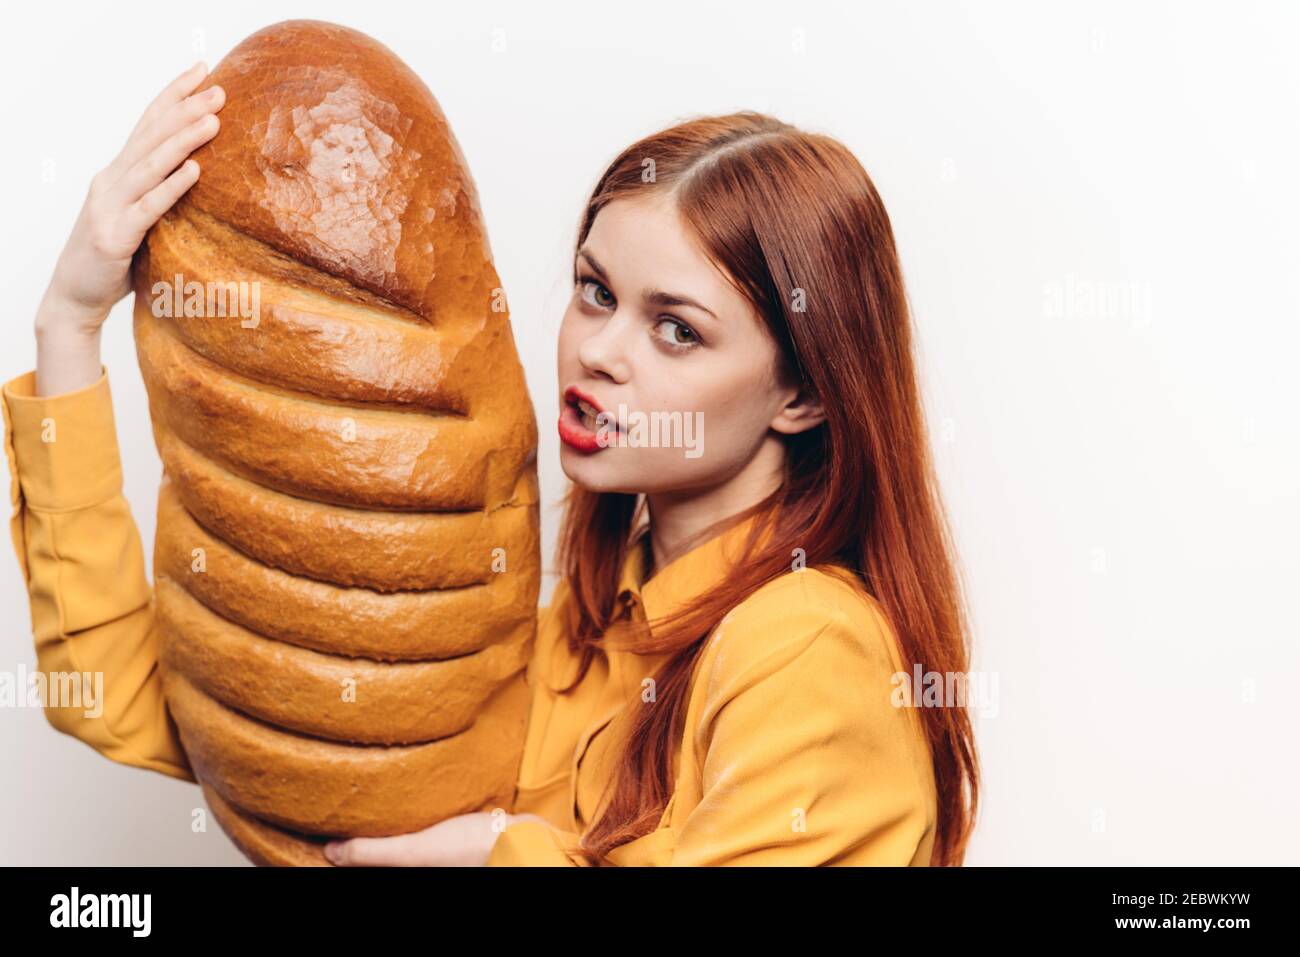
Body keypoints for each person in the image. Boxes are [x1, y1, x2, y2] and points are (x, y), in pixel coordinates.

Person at [3, 61, 979, 866]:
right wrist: (71, 321)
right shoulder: (575, 637)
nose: (600, 351)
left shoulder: (808, 651)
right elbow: (119, 692)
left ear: (804, 391)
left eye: (676, 329)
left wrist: (494, 855)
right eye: (595, 292)